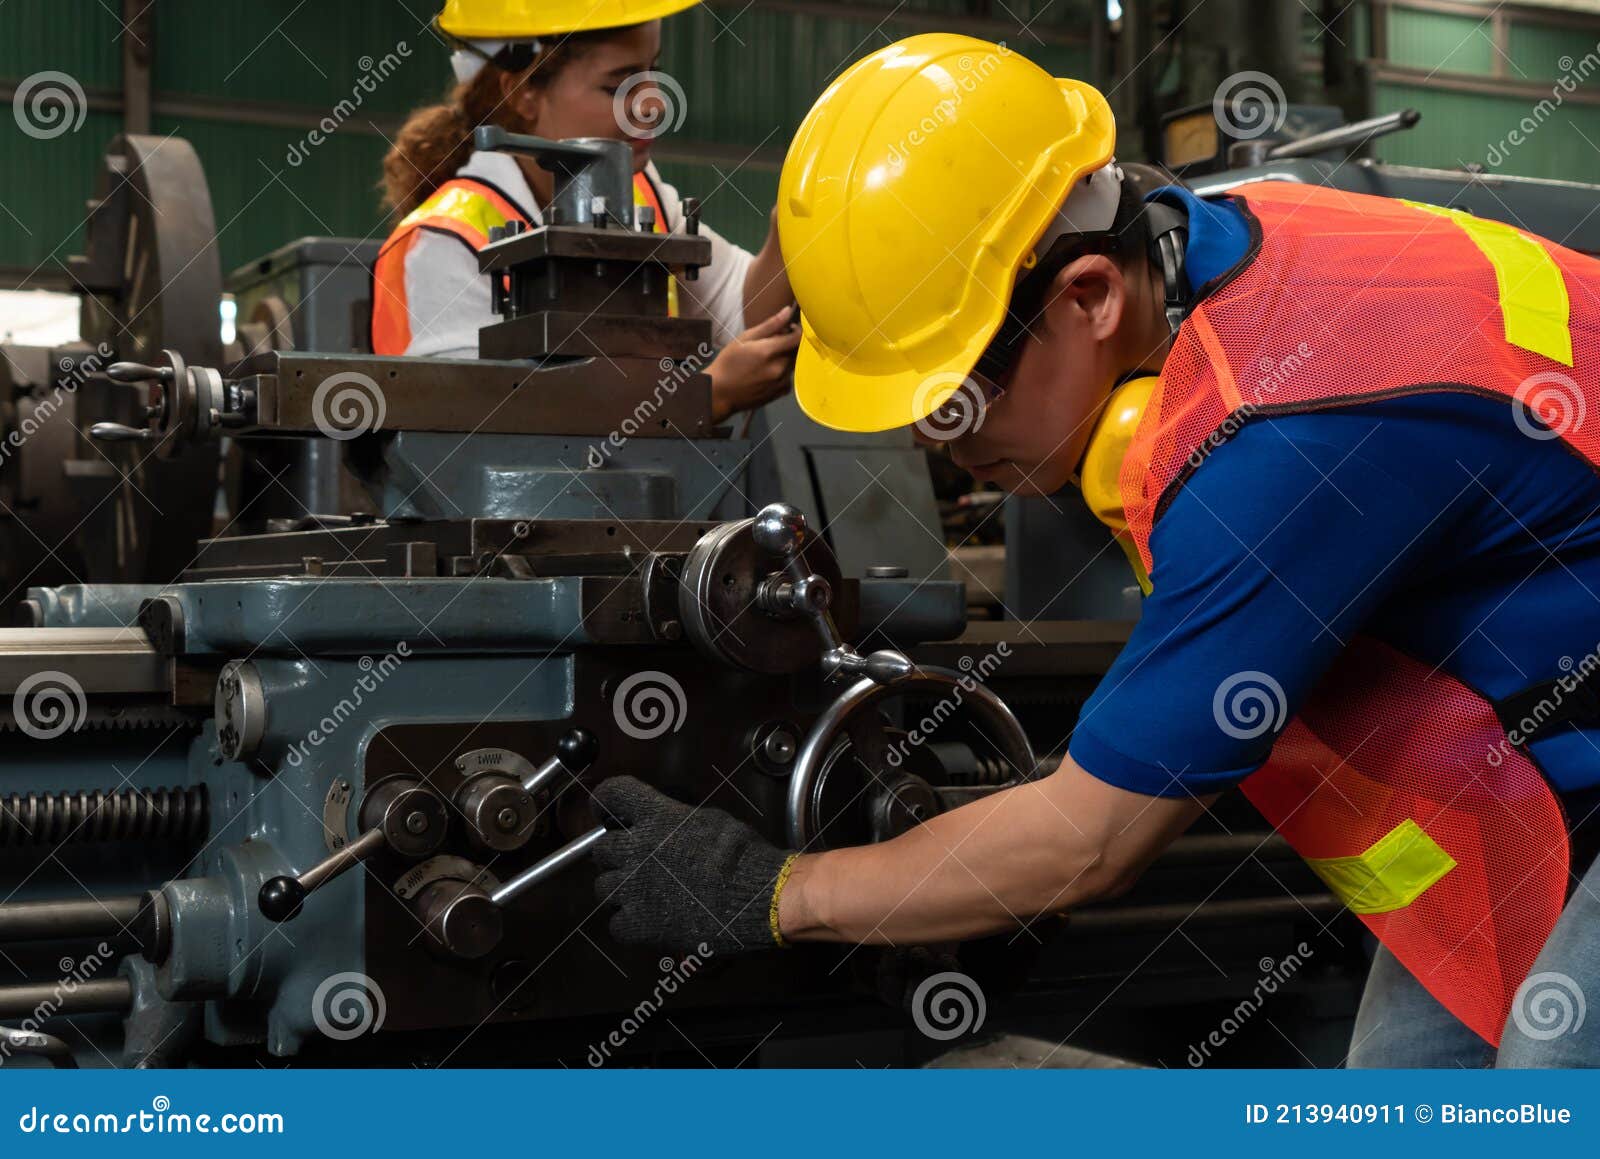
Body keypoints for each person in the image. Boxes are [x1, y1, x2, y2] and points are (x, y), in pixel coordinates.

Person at [587, 33, 1600, 1067]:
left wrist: (772, 892)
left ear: (1088, 295)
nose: (944, 440)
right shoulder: (1214, 253)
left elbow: (1092, 839)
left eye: (955, 393)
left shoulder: (1284, 436)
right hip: (1539, 781)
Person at [373, 0, 797, 425]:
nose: (654, 104)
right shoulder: (442, 242)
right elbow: (474, 432)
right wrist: (709, 397)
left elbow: (748, 314)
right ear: (523, 93)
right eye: (617, 86)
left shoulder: (639, 194)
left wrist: (794, 231)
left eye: (652, 71)